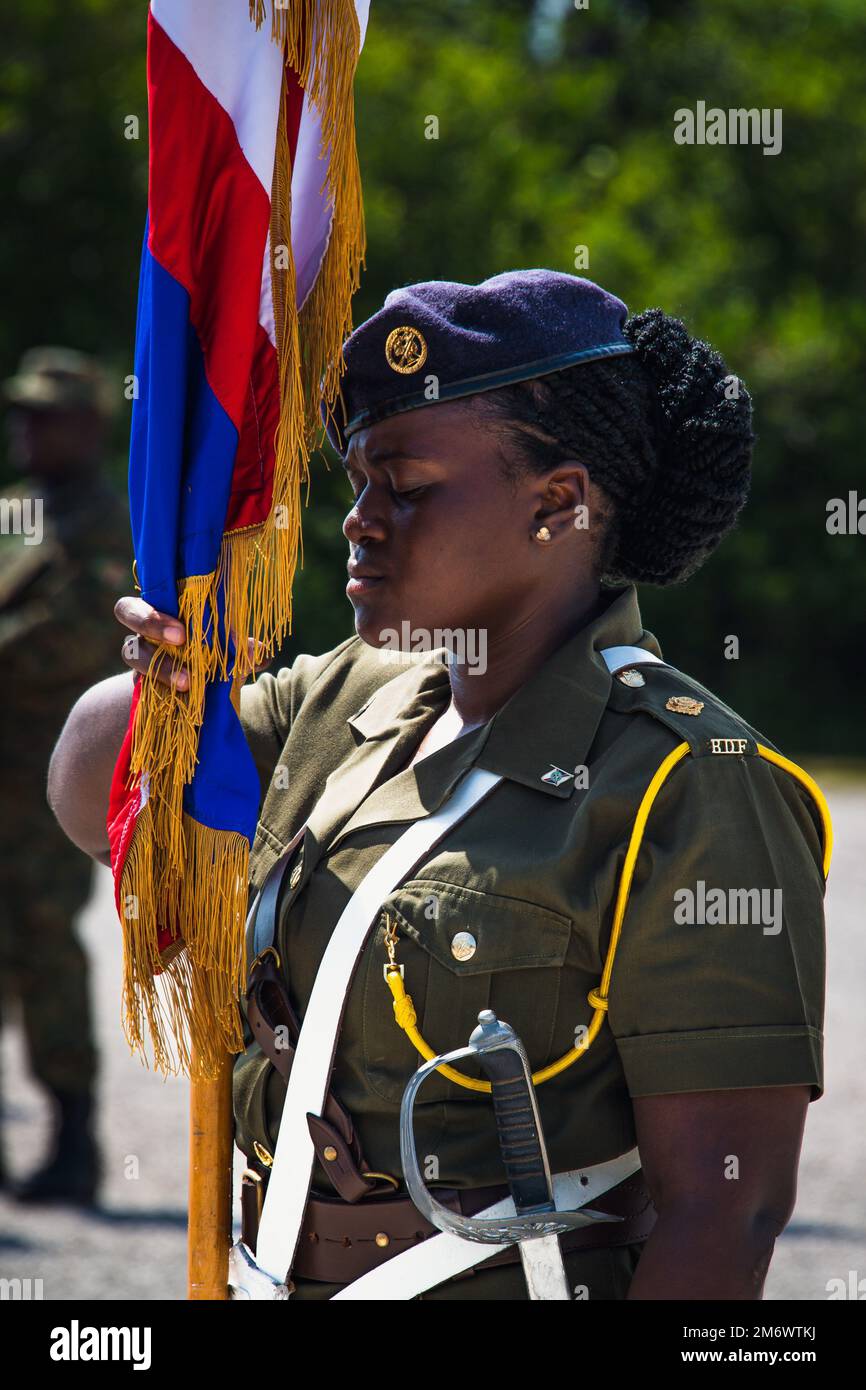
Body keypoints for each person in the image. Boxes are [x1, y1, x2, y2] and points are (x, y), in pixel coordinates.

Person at [47, 271, 828, 1298]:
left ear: (558, 502)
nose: (358, 522)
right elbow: (94, 798)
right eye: (360, 484)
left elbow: (725, 1213)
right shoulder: (351, 698)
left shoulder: (691, 782)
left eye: (404, 487)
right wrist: (177, 669)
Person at [0, 347, 131, 1204]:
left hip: (44, 779)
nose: (28, 427)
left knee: (45, 943)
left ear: (88, 424)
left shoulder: (104, 520)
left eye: (48, 414)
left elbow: (84, 637)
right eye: (23, 412)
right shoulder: (18, 508)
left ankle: (75, 1139)